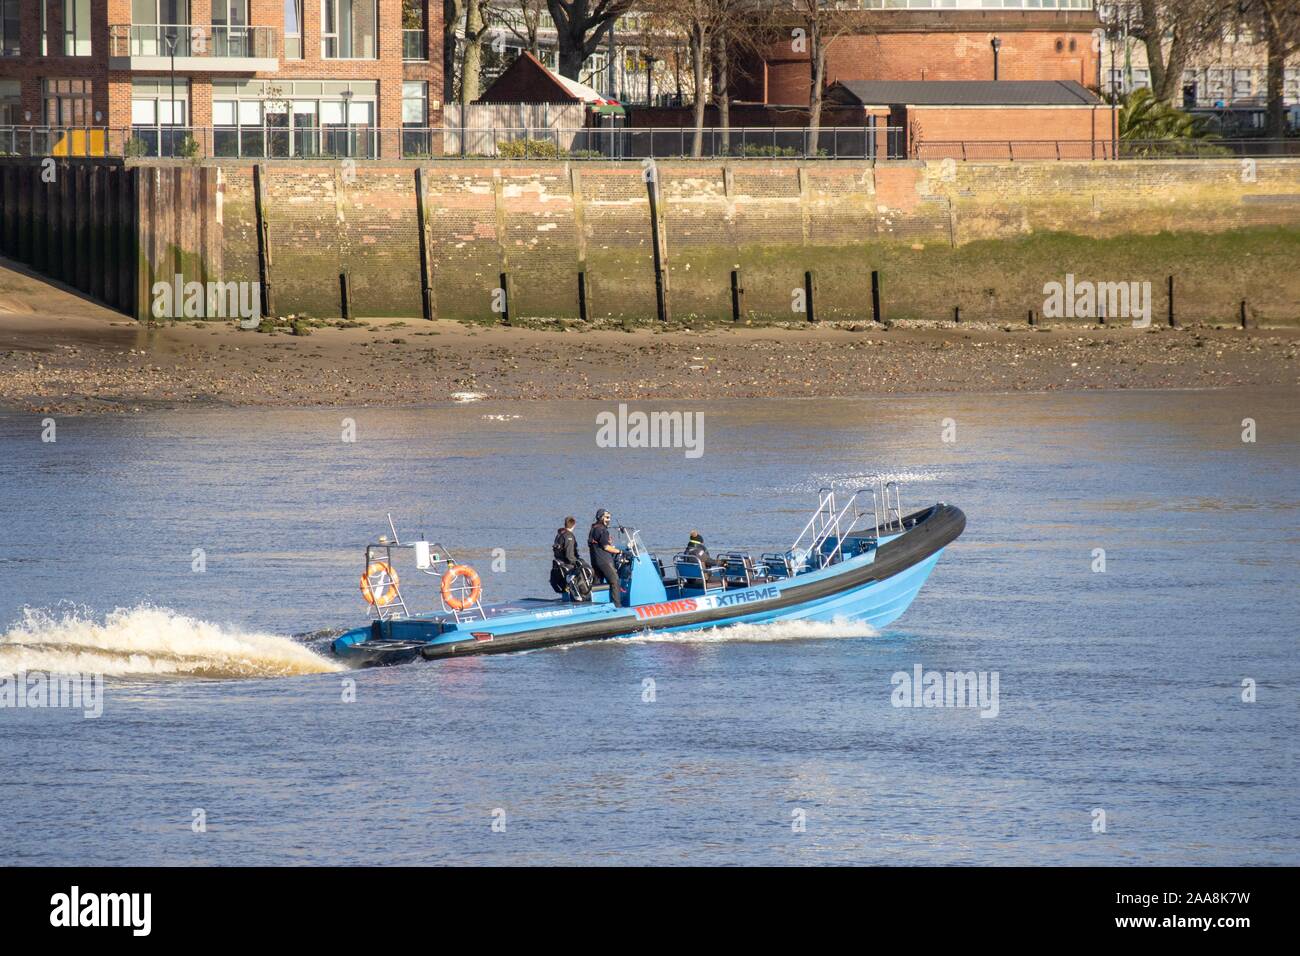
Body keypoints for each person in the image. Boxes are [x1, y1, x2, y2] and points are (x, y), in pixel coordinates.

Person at [587, 508, 624, 608]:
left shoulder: (593, 528)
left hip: (595, 561)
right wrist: (620, 551)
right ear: (601, 517)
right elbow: (606, 547)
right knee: (614, 581)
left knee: (597, 584)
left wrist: (609, 543)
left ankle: (595, 605)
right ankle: (617, 606)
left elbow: (598, 544)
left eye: (609, 518)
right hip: (604, 561)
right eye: (607, 517)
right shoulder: (602, 530)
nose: (609, 520)